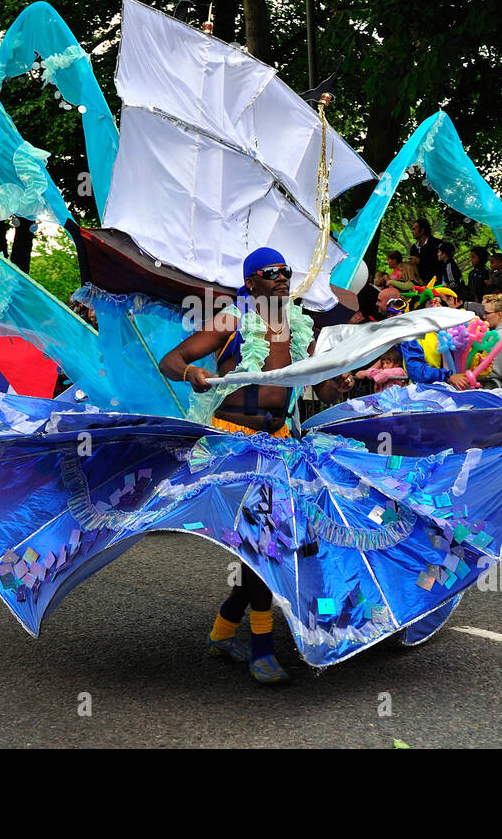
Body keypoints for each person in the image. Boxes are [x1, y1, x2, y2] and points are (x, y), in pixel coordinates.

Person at [159, 248, 353, 683]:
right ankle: (262, 648)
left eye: (286, 271)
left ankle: (225, 630)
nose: (282, 278)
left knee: (268, 541)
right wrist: (190, 372)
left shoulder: (301, 326)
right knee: (264, 542)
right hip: (234, 445)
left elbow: (319, 390)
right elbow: (170, 361)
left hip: (280, 443)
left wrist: (337, 383)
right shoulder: (231, 320)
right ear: (251, 283)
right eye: (271, 273)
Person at [410, 218, 441, 283]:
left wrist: (419, 261)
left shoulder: (436, 244)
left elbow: (439, 264)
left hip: (435, 283)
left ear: (422, 230)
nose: (412, 231)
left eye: (414, 229)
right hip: (418, 284)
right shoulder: (413, 248)